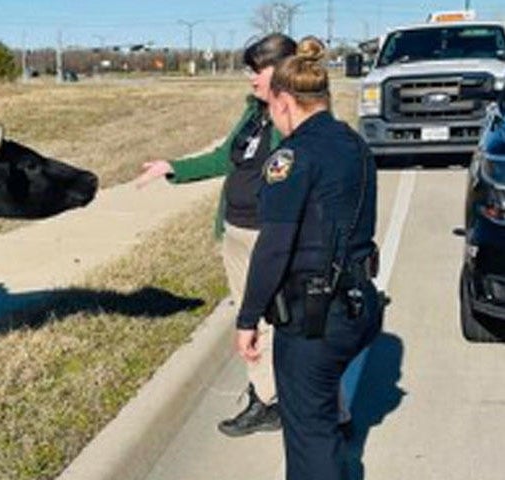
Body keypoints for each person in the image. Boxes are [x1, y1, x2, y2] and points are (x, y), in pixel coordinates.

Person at [136, 33, 298, 436]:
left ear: (281, 70)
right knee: (252, 319)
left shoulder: (296, 115)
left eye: (256, 70)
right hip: (236, 231)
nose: (250, 78)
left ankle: (298, 404)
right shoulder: (254, 113)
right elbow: (224, 159)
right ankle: (269, 398)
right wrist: (173, 168)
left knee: (282, 320)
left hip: (269, 237)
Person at [235, 37, 382, 479]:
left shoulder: (291, 156)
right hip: (358, 302)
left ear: (284, 101)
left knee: (309, 436)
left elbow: (274, 246)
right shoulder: (354, 143)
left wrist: (247, 319)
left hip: (315, 317)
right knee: (322, 423)